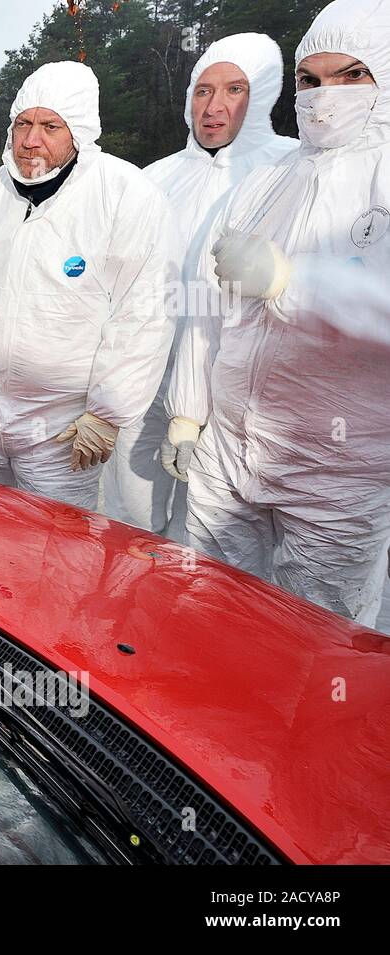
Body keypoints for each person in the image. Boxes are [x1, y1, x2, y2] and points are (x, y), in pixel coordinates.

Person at [170, 0, 390, 626]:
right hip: (231, 450)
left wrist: (292, 282)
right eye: (311, 80)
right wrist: (189, 412)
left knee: (314, 637)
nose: (327, 96)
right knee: (210, 609)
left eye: (351, 75)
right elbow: (208, 303)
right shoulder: (268, 182)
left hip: (338, 471)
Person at [0, 61, 177, 509]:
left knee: (53, 550)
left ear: (79, 131)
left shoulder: (125, 196)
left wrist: (107, 413)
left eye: (50, 126)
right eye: (22, 124)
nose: (30, 140)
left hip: (63, 429)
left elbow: (142, 312)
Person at [101, 34, 297, 539]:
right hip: (147, 381)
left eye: (234, 90)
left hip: (237, 396)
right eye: (202, 91)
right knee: (133, 515)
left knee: (215, 535)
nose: (213, 108)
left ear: (264, 96)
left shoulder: (292, 172)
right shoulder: (154, 180)